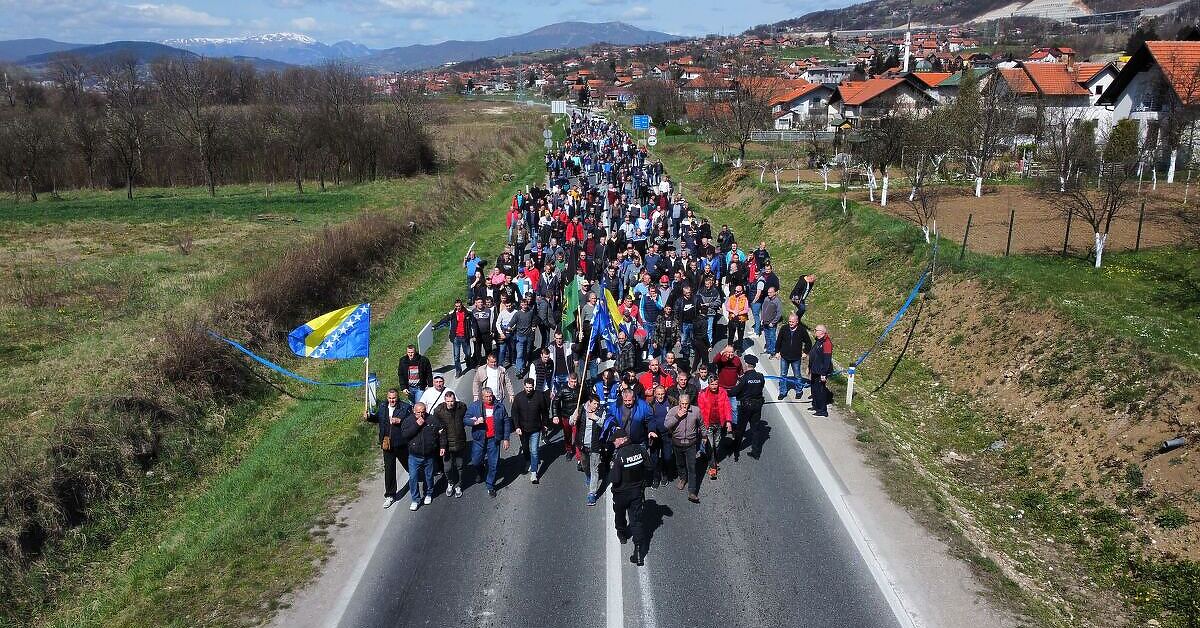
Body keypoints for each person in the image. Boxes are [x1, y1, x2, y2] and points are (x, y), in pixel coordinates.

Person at [607, 426, 649, 566]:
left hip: (621, 494)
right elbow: (650, 466)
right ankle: (638, 553)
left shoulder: (619, 456)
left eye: (614, 441)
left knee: (619, 515)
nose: (613, 443)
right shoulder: (640, 449)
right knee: (636, 521)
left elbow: (615, 478)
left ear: (621, 440)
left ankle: (622, 534)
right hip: (637, 492)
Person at [364, 388, 411, 508]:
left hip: (400, 443)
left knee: (409, 465)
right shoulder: (383, 406)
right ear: (387, 398)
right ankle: (390, 495)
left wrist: (400, 421)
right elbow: (378, 419)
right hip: (387, 443)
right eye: (390, 398)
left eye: (394, 398)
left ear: (397, 397)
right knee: (389, 469)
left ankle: (417, 477)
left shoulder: (405, 407)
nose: (392, 400)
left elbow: (411, 421)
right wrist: (369, 416)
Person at [464, 387, 511, 497]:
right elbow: (465, 419)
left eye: (491, 396)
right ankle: (481, 471)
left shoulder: (499, 406)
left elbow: (506, 422)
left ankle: (490, 485)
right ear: (482, 397)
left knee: (493, 464)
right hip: (479, 440)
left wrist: (506, 438)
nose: (489, 398)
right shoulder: (475, 406)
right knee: (475, 461)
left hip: (493, 440)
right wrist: (474, 422)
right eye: (487, 396)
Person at [400, 402, 444, 511]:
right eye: (418, 412)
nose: (421, 415)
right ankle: (415, 499)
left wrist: (442, 446)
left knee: (429, 477)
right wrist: (417, 425)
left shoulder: (432, 419)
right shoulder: (408, 421)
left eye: (423, 412)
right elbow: (405, 435)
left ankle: (429, 493)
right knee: (413, 477)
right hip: (414, 456)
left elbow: (441, 432)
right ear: (414, 411)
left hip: (429, 455)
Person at [664, 392, 703, 503]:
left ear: (689, 402)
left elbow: (701, 424)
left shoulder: (696, 410)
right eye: (682, 404)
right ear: (679, 402)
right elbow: (666, 425)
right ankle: (682, 478)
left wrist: (704, 435)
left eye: (686, 404)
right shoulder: (673, 411)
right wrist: (677, 416)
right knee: (680, 464)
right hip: (677, 443)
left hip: (691, 444)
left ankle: (692, 491)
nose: (684, 406)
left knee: (692, 467)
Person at [510, 378, 550, 483]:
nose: (529, 389)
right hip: (522, 430)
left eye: (530, 387)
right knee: (525, 448)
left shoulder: (539, 396)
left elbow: (545, 412)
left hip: (535, 429)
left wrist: (545, 424)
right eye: (527, 387)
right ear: (524, 386)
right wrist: (517, 427)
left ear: (533, 386)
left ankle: (534, 473)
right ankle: (528, 460)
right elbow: (514, 413)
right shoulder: (518, 397)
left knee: (534, 450)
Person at [729, 354, 766, 460]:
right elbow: (761, 387)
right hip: (757, 406)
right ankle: (756, 452)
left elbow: (735, 391)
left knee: (740, 429)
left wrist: (725, 392)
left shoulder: (744, 378)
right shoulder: (760, 376)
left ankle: (736, 449)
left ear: (746, 364)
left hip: (745, 407)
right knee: (755, 429)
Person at [434, 390, 468, 498]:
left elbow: (466, 417)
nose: (450, 403)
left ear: (455, 400)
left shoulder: (461, 407)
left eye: (452, 401)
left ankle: (458, 485)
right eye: (448, 401)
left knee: (460, 466)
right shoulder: (439, 410)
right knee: (447, 468)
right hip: (447, 444)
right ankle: (450, 482)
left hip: (460, 442)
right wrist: (438, 431)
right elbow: (434, 423)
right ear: (445, 400)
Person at [697, 377, 732, 479]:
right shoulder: (703, 394)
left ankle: (710, 457)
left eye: (716, 384)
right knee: (711, 445)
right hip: (708, 424)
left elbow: (727, 406)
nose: (714, 387)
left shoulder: (723, 392)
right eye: (712, 384)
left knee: (716, 444)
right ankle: (713, 468)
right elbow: (701, 411)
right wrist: (701, 425)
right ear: (708, 384)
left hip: (719, 423)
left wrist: (728, 421)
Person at [576, 396, 607, 506]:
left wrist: (596, 418)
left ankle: (592, 494)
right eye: (594, 404)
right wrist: (573, 418)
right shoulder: (581, 409)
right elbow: (572, 422)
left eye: (597, 404)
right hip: (583, 445)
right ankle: (588, 475)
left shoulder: (601, 412)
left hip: (595, 445)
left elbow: (603, 424)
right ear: (589, 403)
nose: (596, 406)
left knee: (595, 469)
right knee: (584, 465)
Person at [776, 313, 812, 401]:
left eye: (792, 322)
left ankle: (798, 391)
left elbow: (808, 342)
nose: (790, 323)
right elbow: (779, 341)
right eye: (789, 321)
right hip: (784, 356)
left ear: (797, 322)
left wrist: (805, 352)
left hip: (796, 357)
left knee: (797, 375)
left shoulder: (801, 330)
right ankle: (782, 392)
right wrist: (777, 352)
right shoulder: (784, 328)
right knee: (783, 374)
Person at [554, 371, 583, 460]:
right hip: (566, 417)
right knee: (567, 435)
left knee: (577, 436)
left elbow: (586, 400)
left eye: (575, 382)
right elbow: (556, 402)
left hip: (576, 417)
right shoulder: (563, 389)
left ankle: (579, 457)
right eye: (572, 382)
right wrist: (555, 415)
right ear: (568, 381)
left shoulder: (580, 389)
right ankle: (569, 450)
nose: (574, 384)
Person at [808, 324, 834, 417]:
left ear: (822, 332)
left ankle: (822, 410)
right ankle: (815, 405)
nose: (815, 331)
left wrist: (823, 374)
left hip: (821, 372)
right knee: (814, 390)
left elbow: (827, 360)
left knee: (820, 391)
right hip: (815, 370)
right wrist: (809, 367)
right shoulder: (818, 341)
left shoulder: (827, 343)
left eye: (816, 330)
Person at [446, 299, 472, 377]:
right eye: (456, 306)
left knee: (468, 353)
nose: (458, 308)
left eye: (459, 306)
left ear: (462, 305)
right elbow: (444, 320)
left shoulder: (467, 312)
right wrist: (435, 326)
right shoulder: (452, 313)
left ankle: (468, 360)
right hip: (456, 338)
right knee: (456, 356)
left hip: (465, 336)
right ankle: (458, 370)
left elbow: (474, 319)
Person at [470, 297, 494, 368]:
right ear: (476, 303)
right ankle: (479, 363)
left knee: (488, 349)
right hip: (477, 334)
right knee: (477, 350)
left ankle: (489, 363)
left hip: (487, 333)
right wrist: (473, 335)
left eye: (481, 302)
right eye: (478, 302)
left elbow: (492, 321)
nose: (480, 304)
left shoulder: (488, 311)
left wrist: (492, 330)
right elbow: (471, 324)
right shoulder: (473, 312)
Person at [759, 286, 784, 358]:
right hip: (765, 322)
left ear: (774, 293)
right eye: (768, 292)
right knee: (767, 336)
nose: (768, 293)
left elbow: (779, 314)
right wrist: (762, 319)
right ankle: (768, 349)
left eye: (770, 292)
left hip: (771, 324)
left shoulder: (777, 301)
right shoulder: (766, 298)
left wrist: (773, 323)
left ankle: (773, 351)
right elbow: (763, 309)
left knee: (772, 337)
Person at [724, 284, 749, 352]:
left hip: (741, 319)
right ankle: (729, 347)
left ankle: (739, 349)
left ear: (741, 292)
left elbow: (746, 309)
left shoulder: (745, 299)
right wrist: (733, 311)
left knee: (740, 335)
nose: (736, 292)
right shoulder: (731, 297)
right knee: (731, 335)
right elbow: (727, 307)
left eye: (738, 291)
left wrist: (738, 313)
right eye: (735, 291)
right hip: (732, 318)